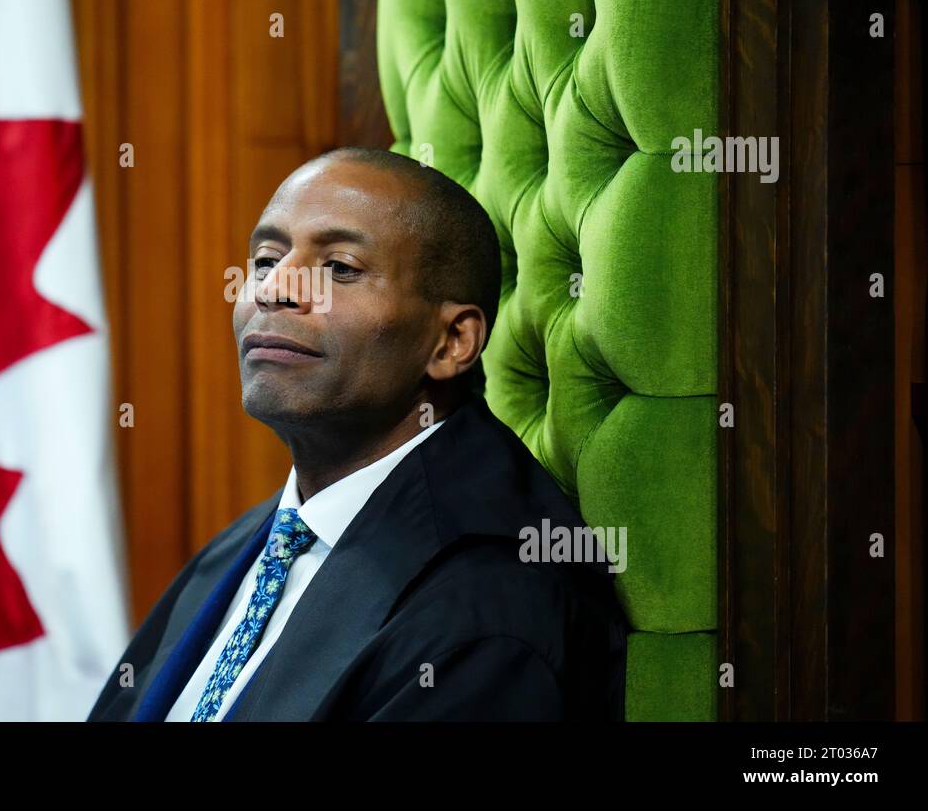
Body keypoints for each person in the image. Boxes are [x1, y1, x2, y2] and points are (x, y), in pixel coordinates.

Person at [87, 147, 628, 721]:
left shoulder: (494, 604)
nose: (276, 289)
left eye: (340, 268)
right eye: (266, 260)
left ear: (451, 343)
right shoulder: (263, 536)